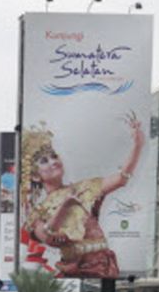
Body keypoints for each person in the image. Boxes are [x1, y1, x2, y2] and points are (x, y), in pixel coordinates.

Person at [20, 116, 146, 278]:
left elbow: (121, 178)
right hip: (75, 270)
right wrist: (64, 207)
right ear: (36, 176)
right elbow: (48, 238)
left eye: (54, 156)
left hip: (104, 265)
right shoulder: (38, 212)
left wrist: (137, 146)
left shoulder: (83, 188)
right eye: (44, 161)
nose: (53, 162)